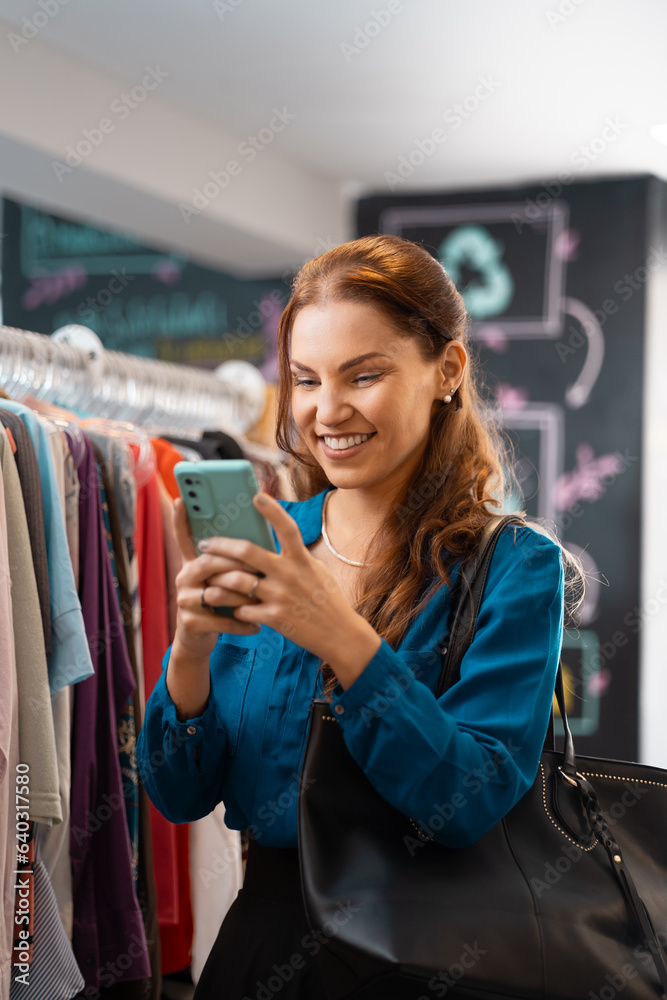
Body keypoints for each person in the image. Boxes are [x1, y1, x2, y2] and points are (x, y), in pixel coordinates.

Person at [137, 234, 574, 999]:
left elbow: (465, 802)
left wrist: (340, 638)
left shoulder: (514, 566)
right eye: (305, 380)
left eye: (363, 375)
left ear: (447, 370)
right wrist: (191, 652)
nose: (326, 410)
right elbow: (178, 796)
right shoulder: (275, 540)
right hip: (259, 950)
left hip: (426, 957)